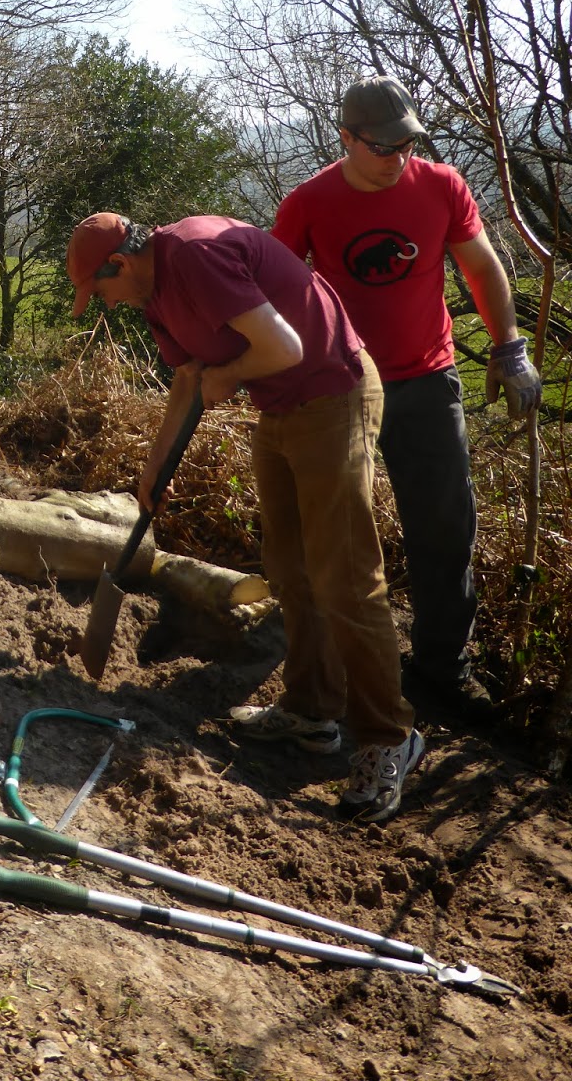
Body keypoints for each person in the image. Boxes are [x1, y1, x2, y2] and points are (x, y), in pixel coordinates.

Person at [67, 210, 423, 823]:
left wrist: (229, 375)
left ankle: (391, 738)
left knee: (345, 576)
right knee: (288, 567)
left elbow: (286, 346)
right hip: (282, 409)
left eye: (101, 289)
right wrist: (153, 470)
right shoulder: (154, 296)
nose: (106, 302)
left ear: (119, 263)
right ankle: (313, 715)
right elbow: (187, 380)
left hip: (333, 392)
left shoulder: (196, 255)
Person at [272, 76, 542, 721]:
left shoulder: (441, 185)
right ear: (346, 139)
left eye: (407, 144)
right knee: (339, 541)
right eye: (382, 147)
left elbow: (480, 266)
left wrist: (509, 349)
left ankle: (443, 670)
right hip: (342, 388)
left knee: (446, 528)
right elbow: (277, 295)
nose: (397, 158)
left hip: (427, 379)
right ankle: (337, 678)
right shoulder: (309, 202)